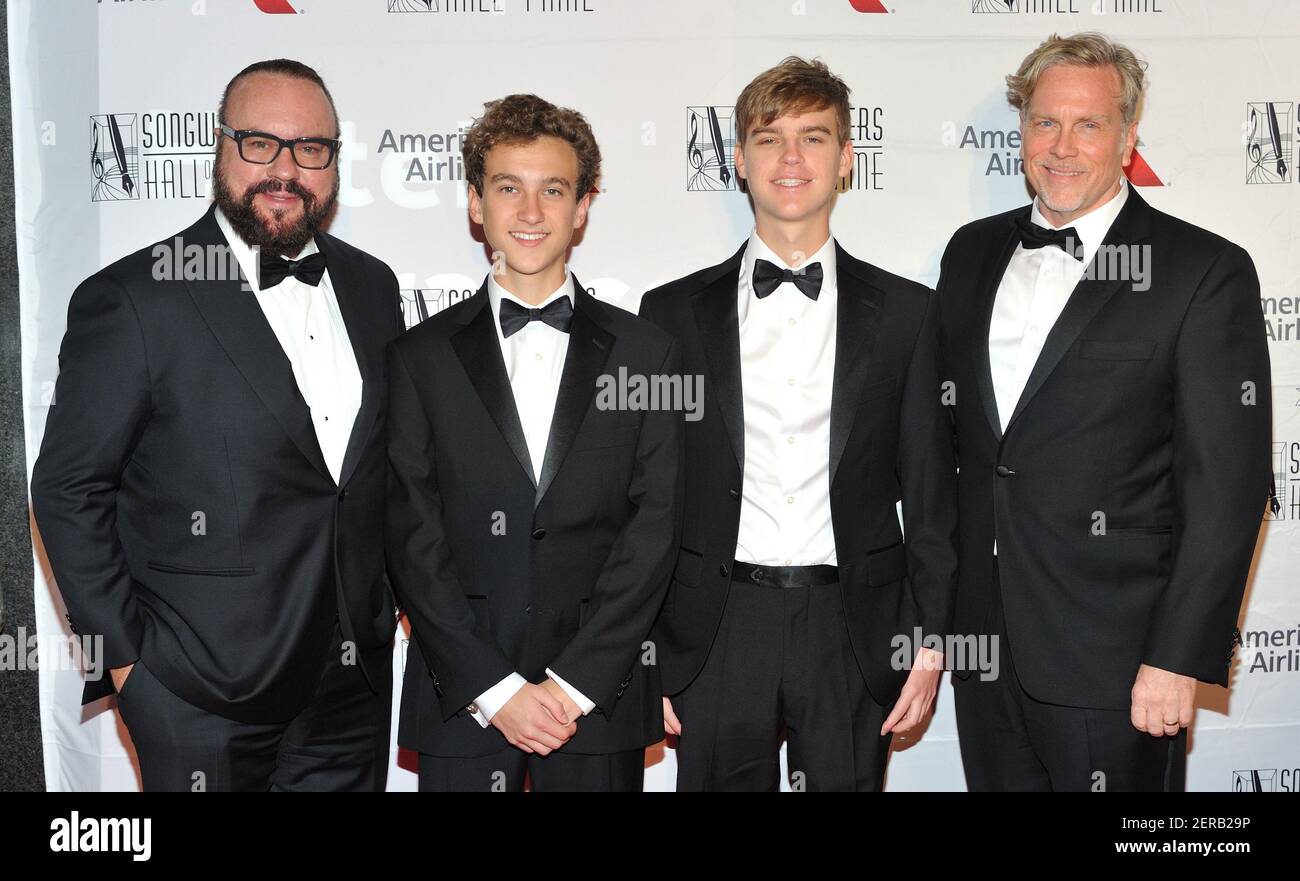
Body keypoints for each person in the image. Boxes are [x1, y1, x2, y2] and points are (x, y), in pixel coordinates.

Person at [31, 59, 402, 791]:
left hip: (348, 685)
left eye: (311, 148)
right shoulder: (136, 297)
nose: (286, 169)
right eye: (260, 143)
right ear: (220, 147)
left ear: (335, 161)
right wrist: (130, 667)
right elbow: (68, 486)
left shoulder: (371, 284)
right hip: (197, 692)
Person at [938, 32, 1273, 791]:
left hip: (1122, 664)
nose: (1062, 146)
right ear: (1021, 129)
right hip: (985, 653)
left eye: (1088, 125)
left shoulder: (1202, 272)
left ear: (1127, 138)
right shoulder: (971, 254)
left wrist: (1177, 657)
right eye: (1045, 122)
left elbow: (1227, 485)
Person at [639, 57, 958, 791]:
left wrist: (932, 643)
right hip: (712, 630)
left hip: (854, 627)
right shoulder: (669, 314)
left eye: (813, 138)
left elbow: (934, 499)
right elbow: (649, 498)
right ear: (740, 160)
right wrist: (644, 648)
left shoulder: (910, 315)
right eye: (768, 138)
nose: (790, 159)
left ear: (846, 159)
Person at [386, 93, 683, 792]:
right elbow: (409, 535)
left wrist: (575, 684)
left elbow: (656, 528)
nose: (529, 212)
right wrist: (492, 687)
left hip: (598, 699)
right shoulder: (417, 357)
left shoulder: (647, 352)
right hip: (461, 694)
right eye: (507, 188)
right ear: (474, 203)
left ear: (582, 206)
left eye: (552, 190)